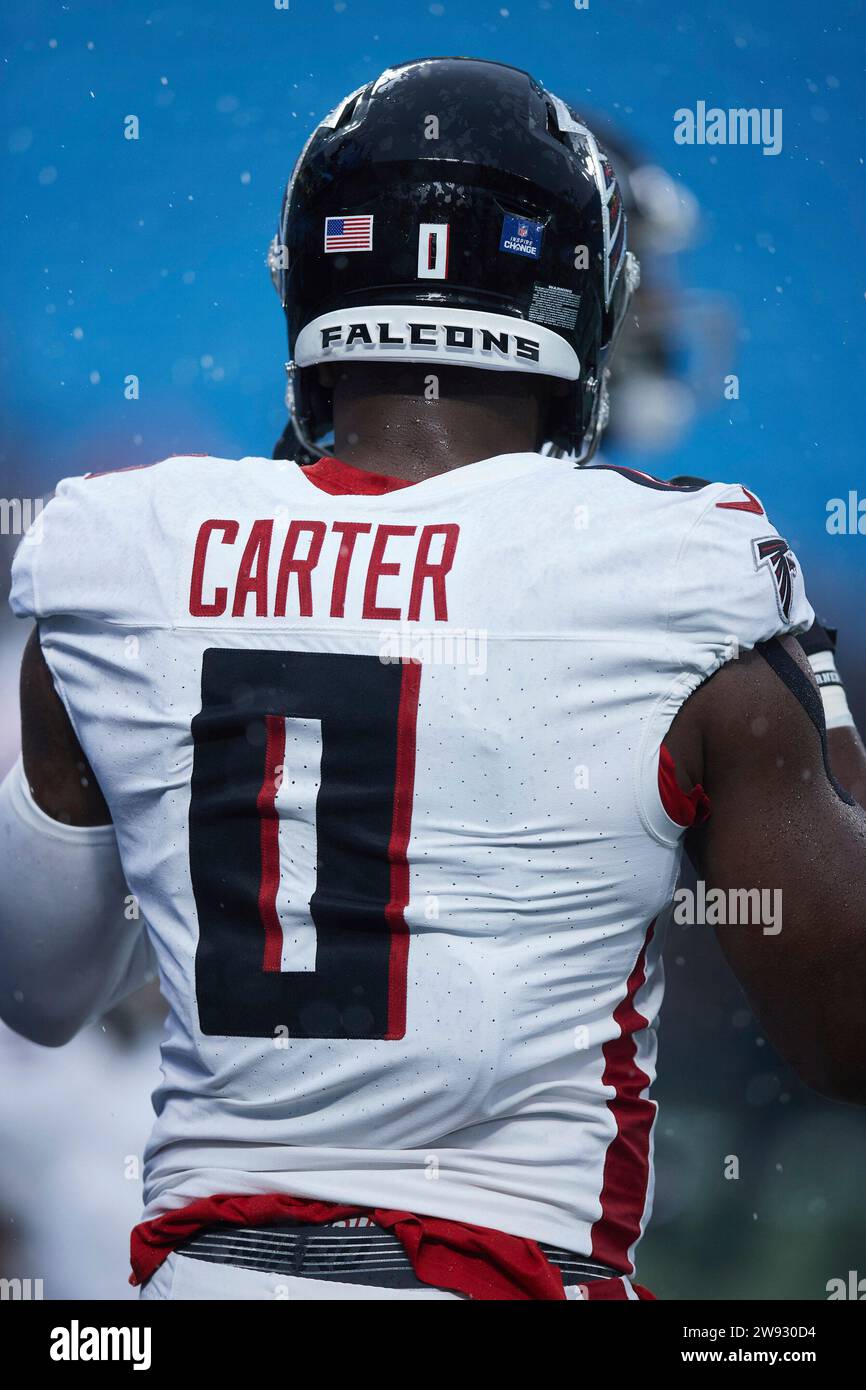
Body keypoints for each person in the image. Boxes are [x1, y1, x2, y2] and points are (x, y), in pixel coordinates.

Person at [2, 57, 865, 1302]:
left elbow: (37, 984)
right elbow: (843, 1027)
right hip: (505, 1273)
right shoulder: (690, 568)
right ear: (582, 302)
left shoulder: (114, 553)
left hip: (188, 1281)